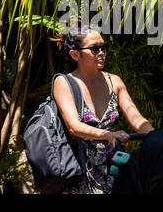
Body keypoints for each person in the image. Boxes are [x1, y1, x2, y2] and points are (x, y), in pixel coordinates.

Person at [52, 23, 154, 194]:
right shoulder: (64, 83)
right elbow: (73, 126)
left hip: (114, 171)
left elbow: (136, 118)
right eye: (94, 49)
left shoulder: (115, 81)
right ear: (75, 54)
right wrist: (108, 135)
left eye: (103, 47)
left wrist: (158, 137)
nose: (102, 53)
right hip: (80, 174)